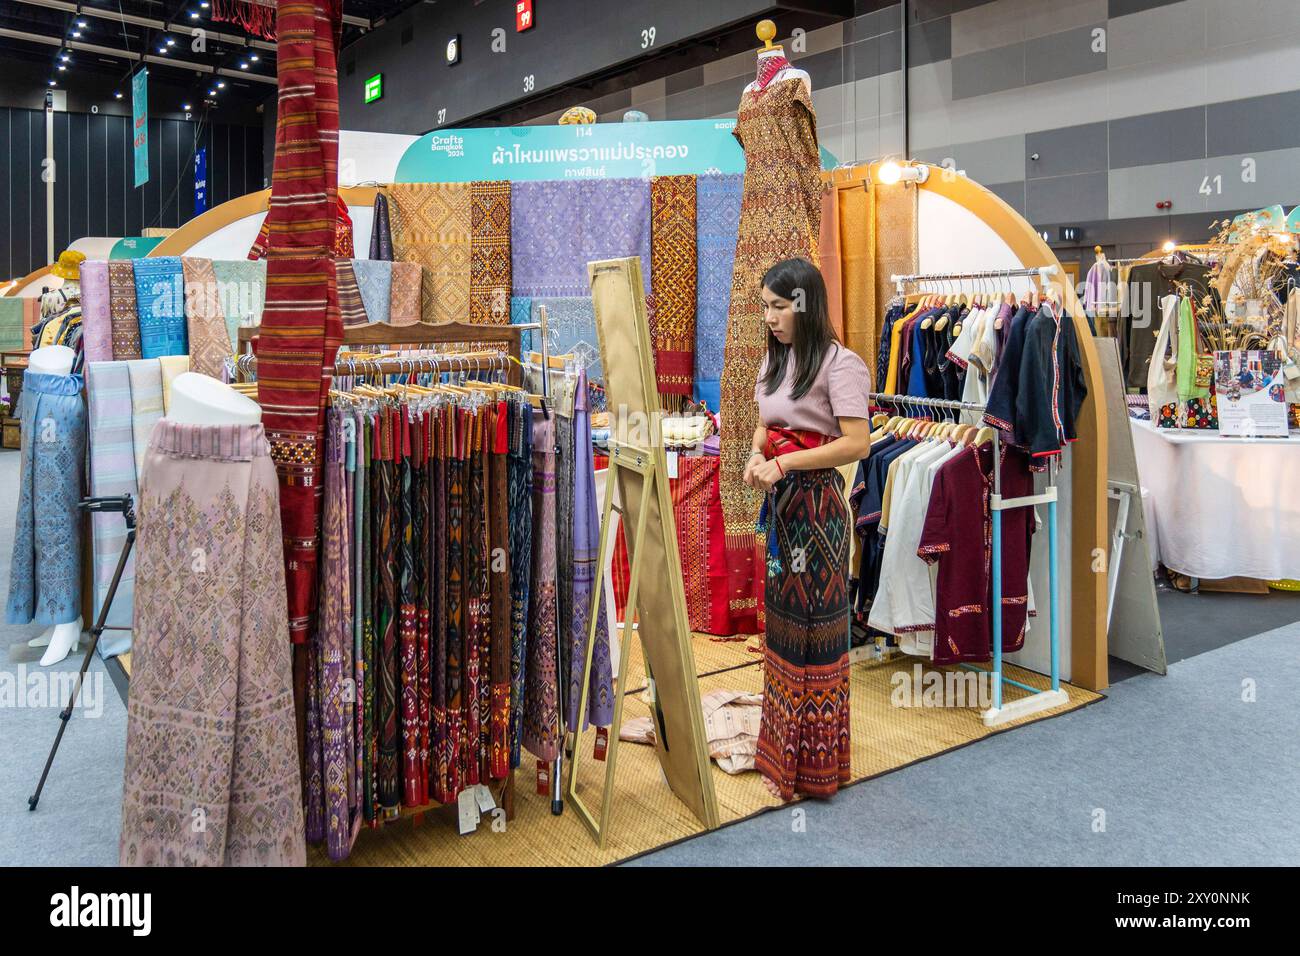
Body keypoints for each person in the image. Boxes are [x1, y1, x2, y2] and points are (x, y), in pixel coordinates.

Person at [743, 257, 872, 801]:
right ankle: (781, 757)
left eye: (779, 307)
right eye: (765, 307)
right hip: (782, 509)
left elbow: (857, 444)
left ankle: (816, 767)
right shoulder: (776, 360)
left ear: (804, 304)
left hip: (818, 513)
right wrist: (756, 457)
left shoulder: (841, 365)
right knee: (783, 628)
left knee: (817, 632)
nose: (769, 317)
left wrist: (785, 463)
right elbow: (764, 425)